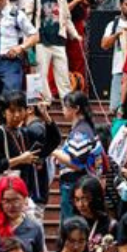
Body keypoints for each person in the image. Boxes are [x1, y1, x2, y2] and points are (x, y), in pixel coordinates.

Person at [29, 0, 80, 104]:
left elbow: (67, 18)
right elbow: (27, 20)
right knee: (40, 73)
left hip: (58, 40)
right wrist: (27, 41)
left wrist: (75, 34)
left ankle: (67, 102)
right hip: (41, 40)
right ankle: (44, 100)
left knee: (63, 73)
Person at [53, 91, 101, 219]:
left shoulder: (81, 131)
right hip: (74, 185)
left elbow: (76, 163)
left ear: (76, 109)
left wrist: (53, 151)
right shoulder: (81, 129)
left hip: (74, 185)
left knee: (71, 225)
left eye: (65, 106)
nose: (63, 109)